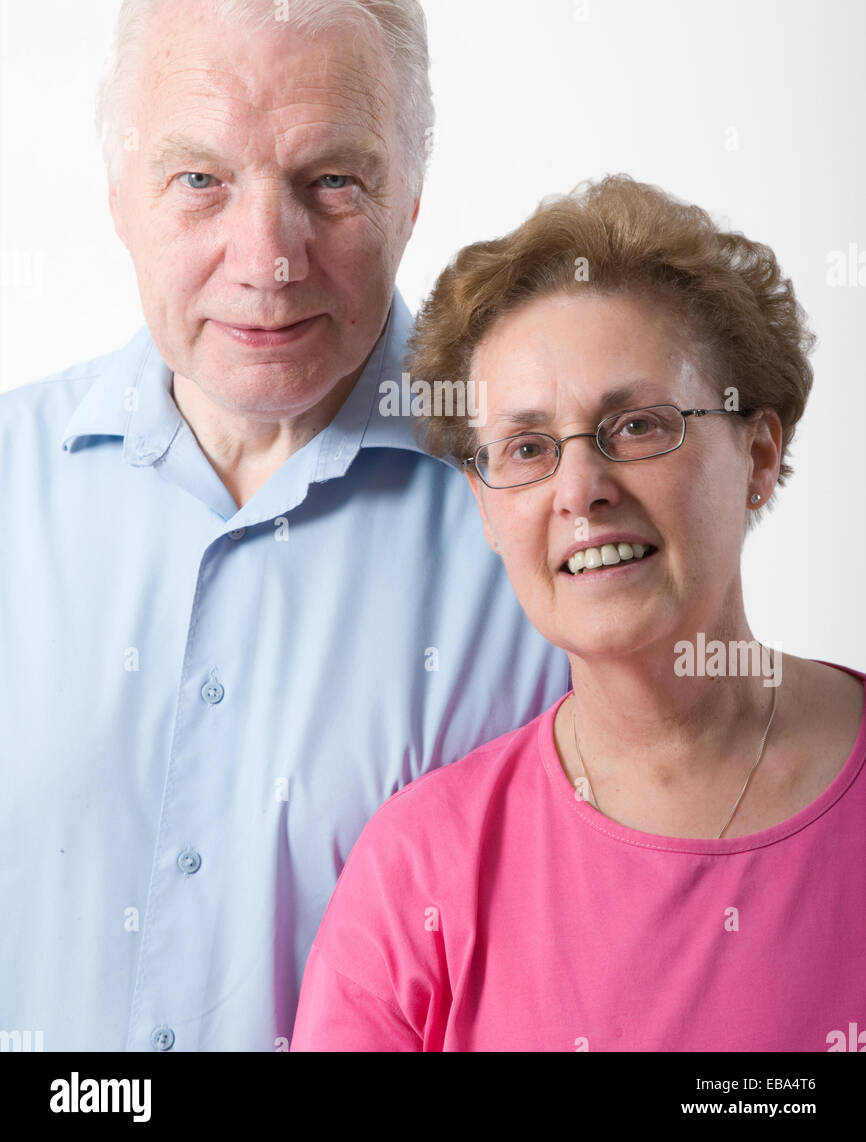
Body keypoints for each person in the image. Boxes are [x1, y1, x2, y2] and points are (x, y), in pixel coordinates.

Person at [0, 0, 569, 1052]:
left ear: (410, 198)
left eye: (332, 182)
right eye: (199, 179)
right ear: (118, 193)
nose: (268, 258)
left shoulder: (550, 525)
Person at [291, 174, 866, 1052]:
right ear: (486, 507)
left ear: (758, 449)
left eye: (636, 426)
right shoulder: (419, 872)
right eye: (525, 448)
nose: (581, 491)